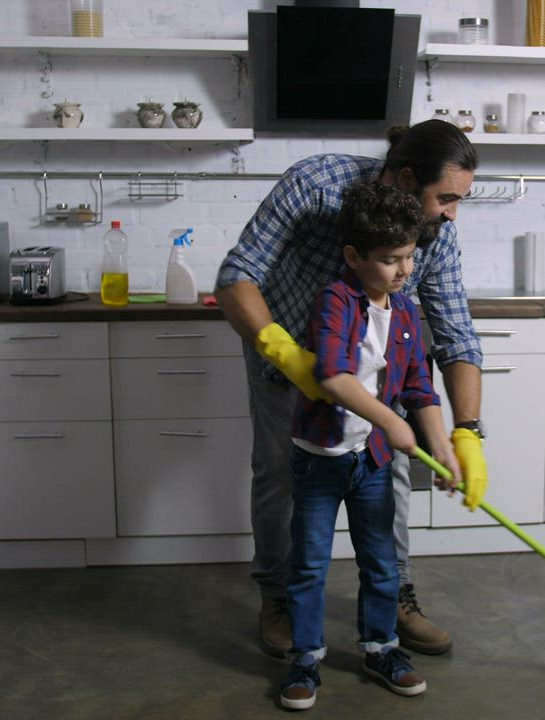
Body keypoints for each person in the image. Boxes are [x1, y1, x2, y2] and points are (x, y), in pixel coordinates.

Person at [215, 119, 489, 659]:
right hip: (286, 349)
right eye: (447, 198)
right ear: (407, 179)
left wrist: (467, 432)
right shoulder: (316, 185)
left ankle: (393, 598)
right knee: (280, 473)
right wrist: (287, 355)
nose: (454, 213)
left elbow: (456, 334)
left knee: (392, 481)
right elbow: (236, 275)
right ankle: (279, 596)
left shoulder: (436, 239)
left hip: (375, 375)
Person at [278, 182, 463, 710]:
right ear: (354, 257)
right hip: (319, 459)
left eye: (408, 257)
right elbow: (333, 376)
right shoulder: (334, 301)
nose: (402, 271)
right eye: (388, 260)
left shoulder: (404, 312)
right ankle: (306, 657)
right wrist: (391, 422)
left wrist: (443, 446)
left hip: (373, 463)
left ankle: (381, 648)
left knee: (382, 562)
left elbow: (418, 389)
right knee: (311, 564)